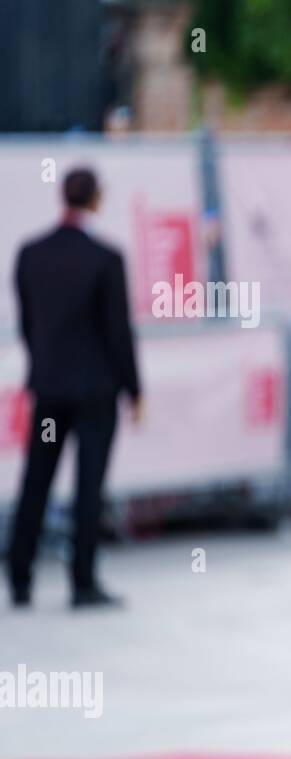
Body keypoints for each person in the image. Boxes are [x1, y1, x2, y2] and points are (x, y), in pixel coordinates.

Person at [7, 167, 142, 609]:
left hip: (49, 387)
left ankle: (20, 576)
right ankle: (82, 582)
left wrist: (43, 363)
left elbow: (28, 324)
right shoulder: (104, 258)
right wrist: (133, 389)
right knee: (88, 485)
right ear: (96, 199)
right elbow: (118, 333)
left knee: (37, 481)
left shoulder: (31, 253)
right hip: (94, 391)